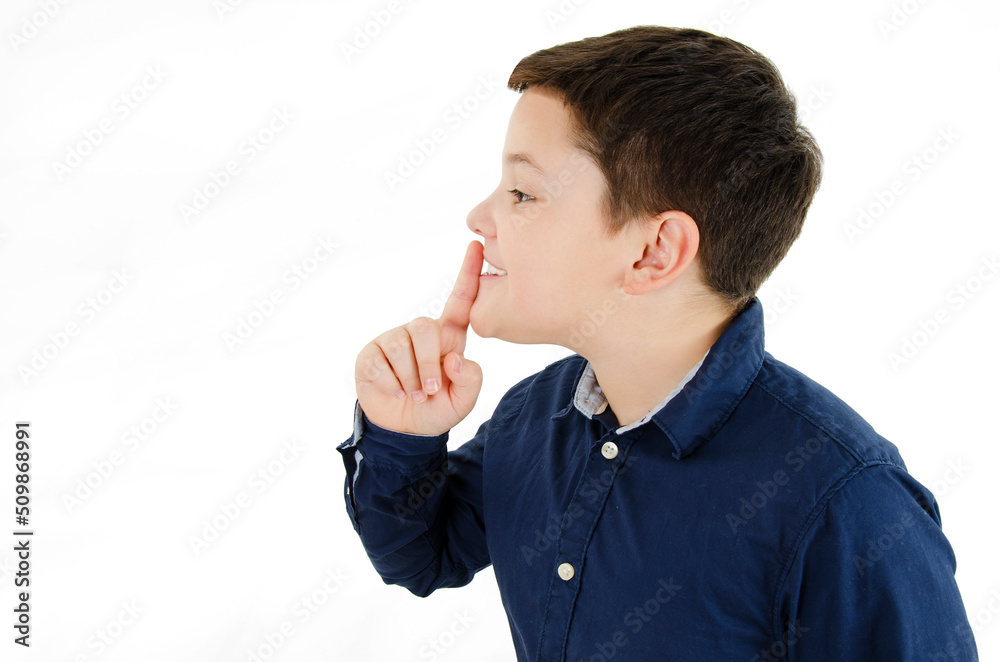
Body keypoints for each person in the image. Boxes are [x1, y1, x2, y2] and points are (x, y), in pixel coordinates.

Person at [336, 26, 978, 661]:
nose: (480, 218)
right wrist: (402, 436)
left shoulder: (847, 504)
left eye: (523, 192)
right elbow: (421, 555)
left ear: (653, 251)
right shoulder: (532, 418)